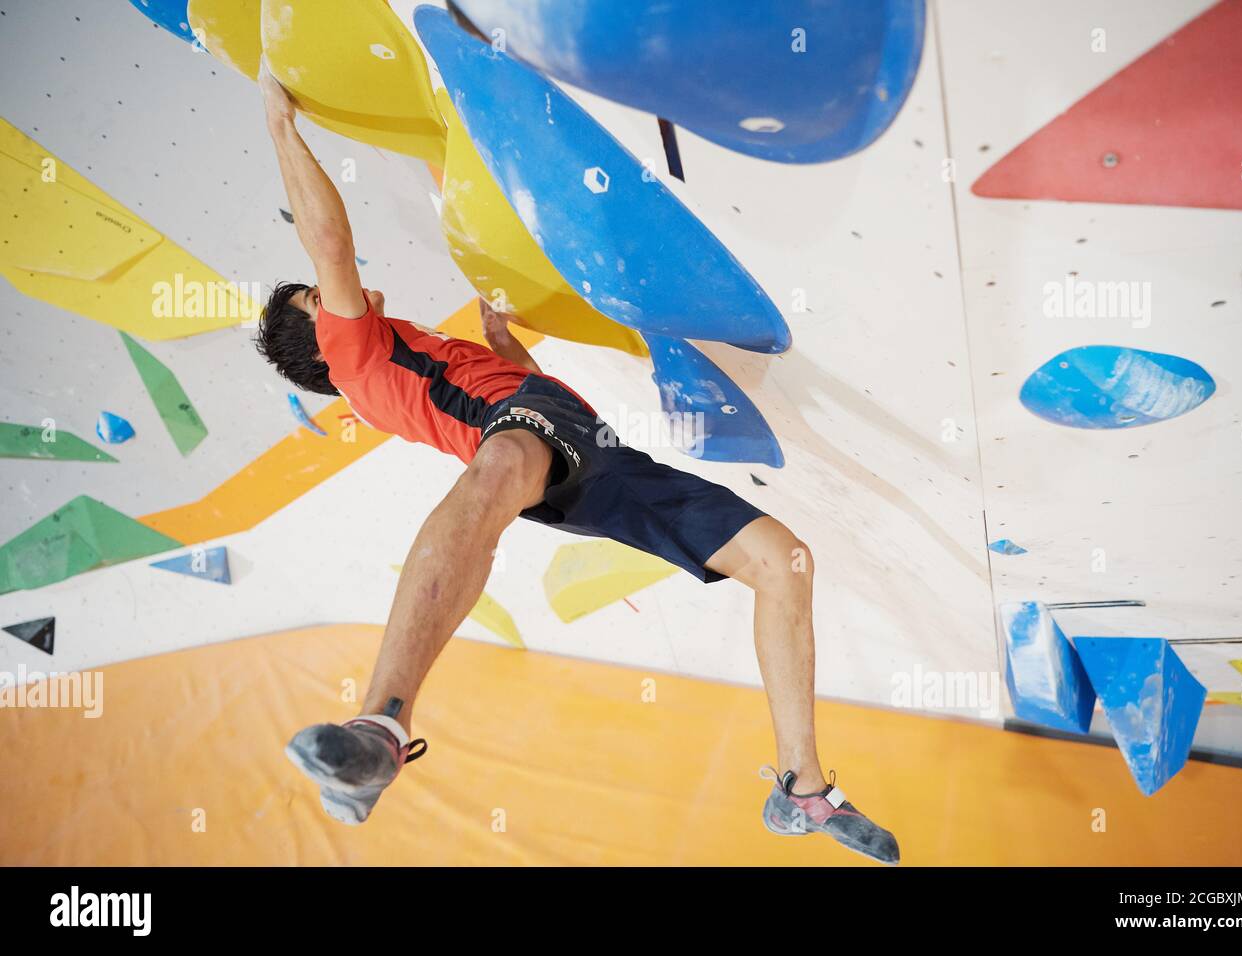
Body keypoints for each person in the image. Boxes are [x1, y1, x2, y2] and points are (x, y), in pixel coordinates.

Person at [254, 62, 898, 865]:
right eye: (320, 301)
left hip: (595, 461)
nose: (336, 293)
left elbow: (517, 396)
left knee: (784, 560)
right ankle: (381, 725)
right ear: (318, 337)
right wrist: (282, 126)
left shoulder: (402, 357)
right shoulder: (352, 362)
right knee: (497, 472)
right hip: (523, 442)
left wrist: (509, 351)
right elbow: (329, 240)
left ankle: (800, 787)